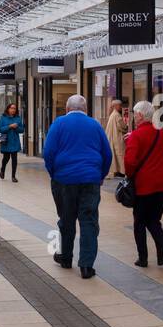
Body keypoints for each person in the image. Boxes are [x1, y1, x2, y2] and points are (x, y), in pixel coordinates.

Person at [42, 95, 111, 279]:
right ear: (85, 109)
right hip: (90, 179)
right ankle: (86, 266)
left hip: (64, 180)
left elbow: (48, 152)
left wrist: (54, 173)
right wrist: (101, 175)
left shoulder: (59, 123)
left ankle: (65, 257)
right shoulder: (95, 125)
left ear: (67, 109)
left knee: (66, 218)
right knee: (88, 221)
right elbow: (107, 153)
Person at [124, 100, 163, 267]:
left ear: (141, 115)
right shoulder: (159, 132)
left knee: (139, 222)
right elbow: (148, 140)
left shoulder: (135, 136)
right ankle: (162, 246)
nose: (133, 118)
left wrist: (129, 175)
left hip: (144, 186)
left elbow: (130, 162)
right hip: (161, 184)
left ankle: (142, 258)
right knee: (154, 220)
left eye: (135, 115)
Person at [0, 103, 24, 181]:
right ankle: (2, 170)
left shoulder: (18, 118)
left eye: (14, 108)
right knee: (6, 158)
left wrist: (16, 127)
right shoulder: (3, 118)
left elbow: (22, 130)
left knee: (14, 159)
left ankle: (13, 176)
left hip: (15, 142)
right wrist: (9, 126)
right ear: (8, 109)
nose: (13, 110)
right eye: (11, 108)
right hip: (6, 141)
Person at [104, 99, 127, 178]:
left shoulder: (112, 114)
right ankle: (122, 171)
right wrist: (126, 127)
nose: (121, 107)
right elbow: (122, 126)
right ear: (115, 106)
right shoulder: (117, 115)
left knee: (116, 155)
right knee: (120, 154)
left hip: (112, 137)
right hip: (117, 138)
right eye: (120, 105)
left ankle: (117, 170)